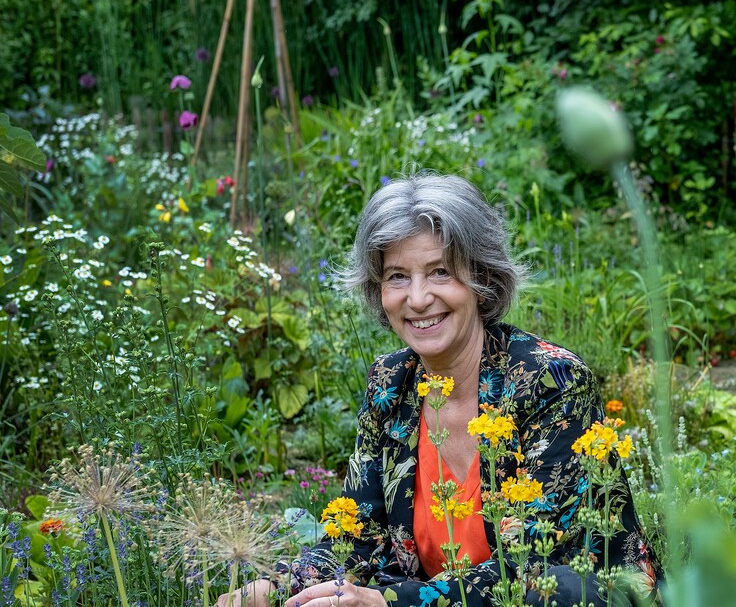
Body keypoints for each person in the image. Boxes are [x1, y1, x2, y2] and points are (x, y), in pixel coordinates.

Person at [219, 172, 658, 606]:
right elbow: (358, 536)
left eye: (440, 272)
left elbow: (533, 565)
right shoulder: (390, 385)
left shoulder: (552, 382)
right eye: (397, 276)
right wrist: (280, 587)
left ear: (481, 278)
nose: (417, 298)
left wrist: (386, 602)